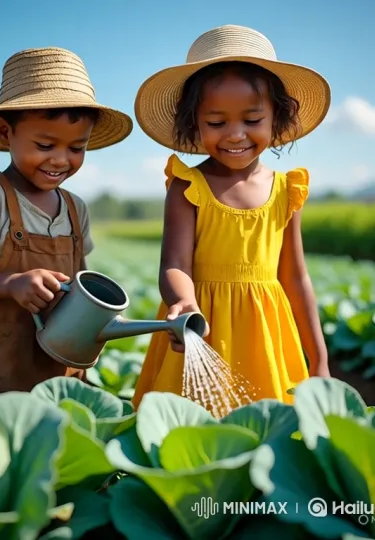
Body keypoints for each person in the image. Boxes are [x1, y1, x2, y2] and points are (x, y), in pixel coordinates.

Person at [131, 25, 331, 409]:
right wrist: (183, 302)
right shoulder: (188, 185)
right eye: (217, 122)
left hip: (266, 336)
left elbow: (295, 276)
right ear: (195, 124)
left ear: (278, 119)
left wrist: (319, 360)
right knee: (190, 430)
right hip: (201, 328)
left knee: (270, 429)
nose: (235, 134)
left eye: (252, 120)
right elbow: (174, 264)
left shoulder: (288, 189)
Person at [0, 47, 133, 394]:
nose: (60, 159)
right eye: (44, 144)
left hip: (62, 369)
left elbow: (80, 290)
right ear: (4, 132)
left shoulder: (75, 208)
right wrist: (11, 285)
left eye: (76, 148)